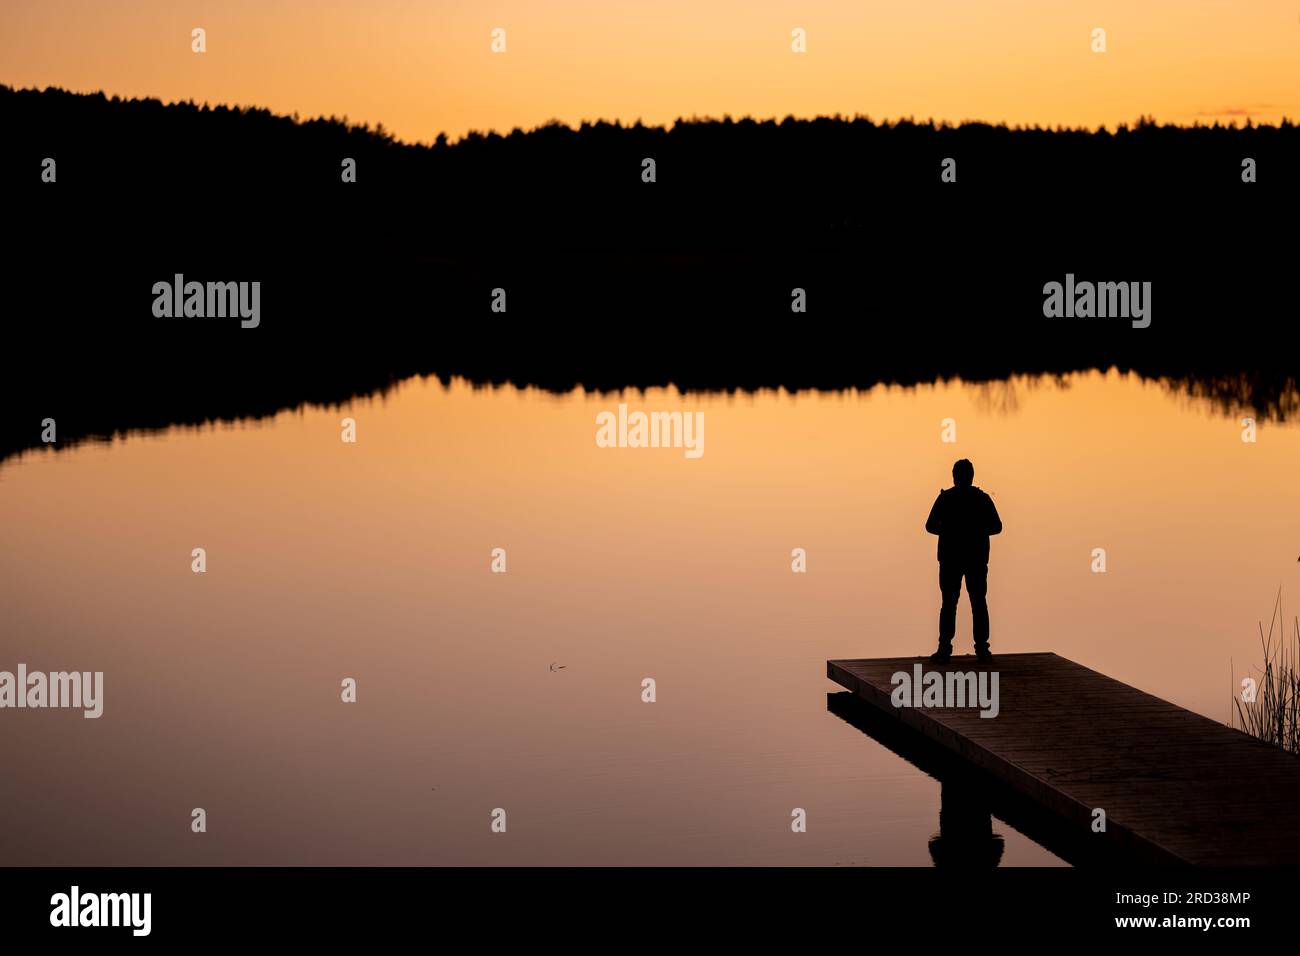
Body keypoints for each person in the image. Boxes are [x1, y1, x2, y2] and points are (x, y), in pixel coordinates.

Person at [925, 459, 1002, 663]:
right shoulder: (980, 499)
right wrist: (972, 531)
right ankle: (979, 650)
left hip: (958, 559)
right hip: (970, 558)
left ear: (956, 476)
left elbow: (930, 526)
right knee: (974, 603)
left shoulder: (948, 499)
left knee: (953, 604)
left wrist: (952, 531)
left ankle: (948, 649)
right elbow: (996, 527)